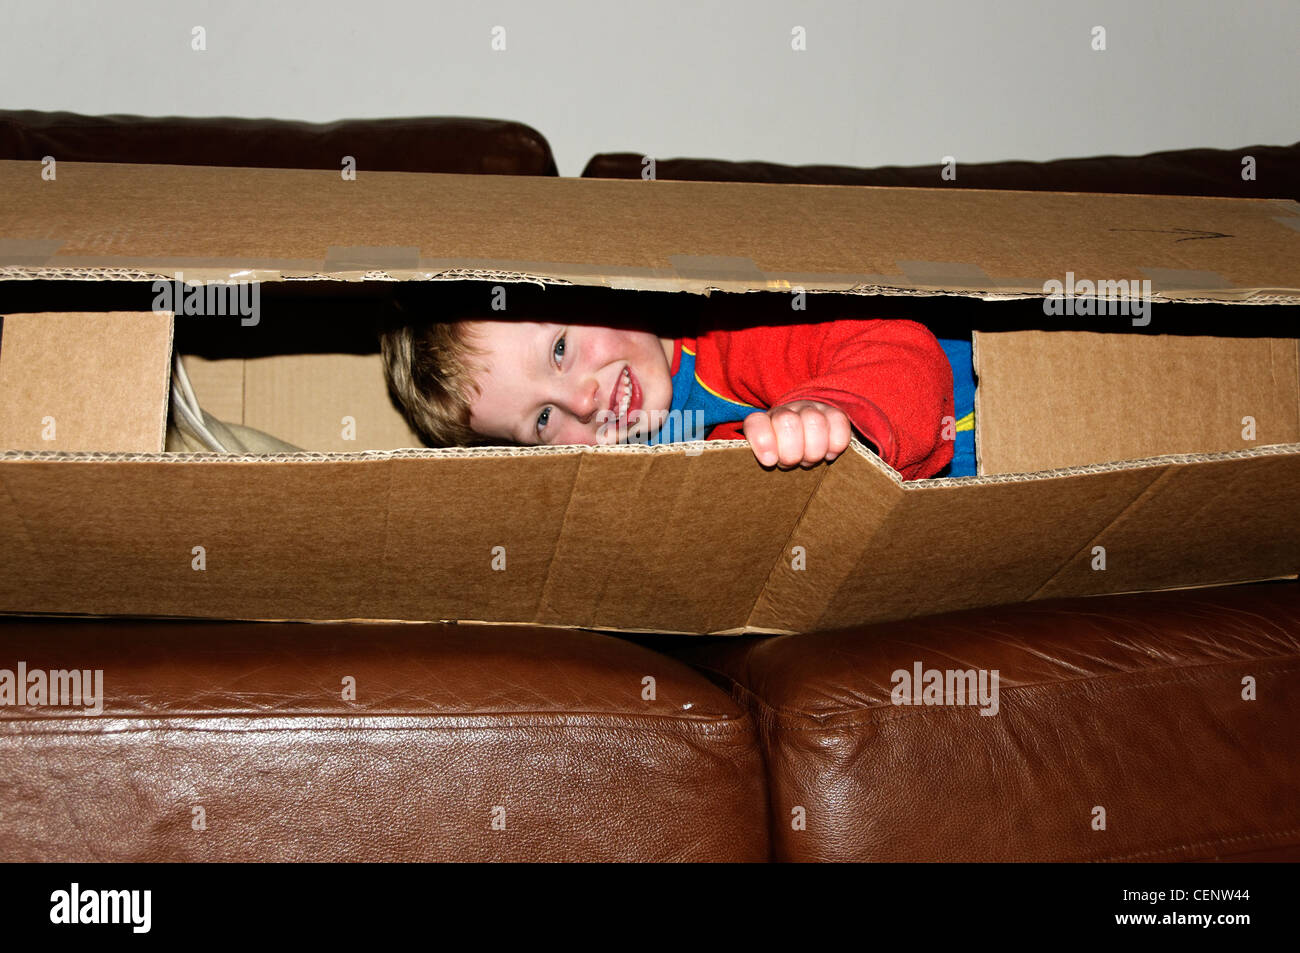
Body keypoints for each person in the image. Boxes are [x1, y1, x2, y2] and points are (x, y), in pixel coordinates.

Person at [380, 293, 975, 481]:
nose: (582, 402)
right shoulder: (649, 471)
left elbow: (901, 349)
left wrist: (829, 412)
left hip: (986, 404)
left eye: (561, 350)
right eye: (542, 421)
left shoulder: (734, 330)